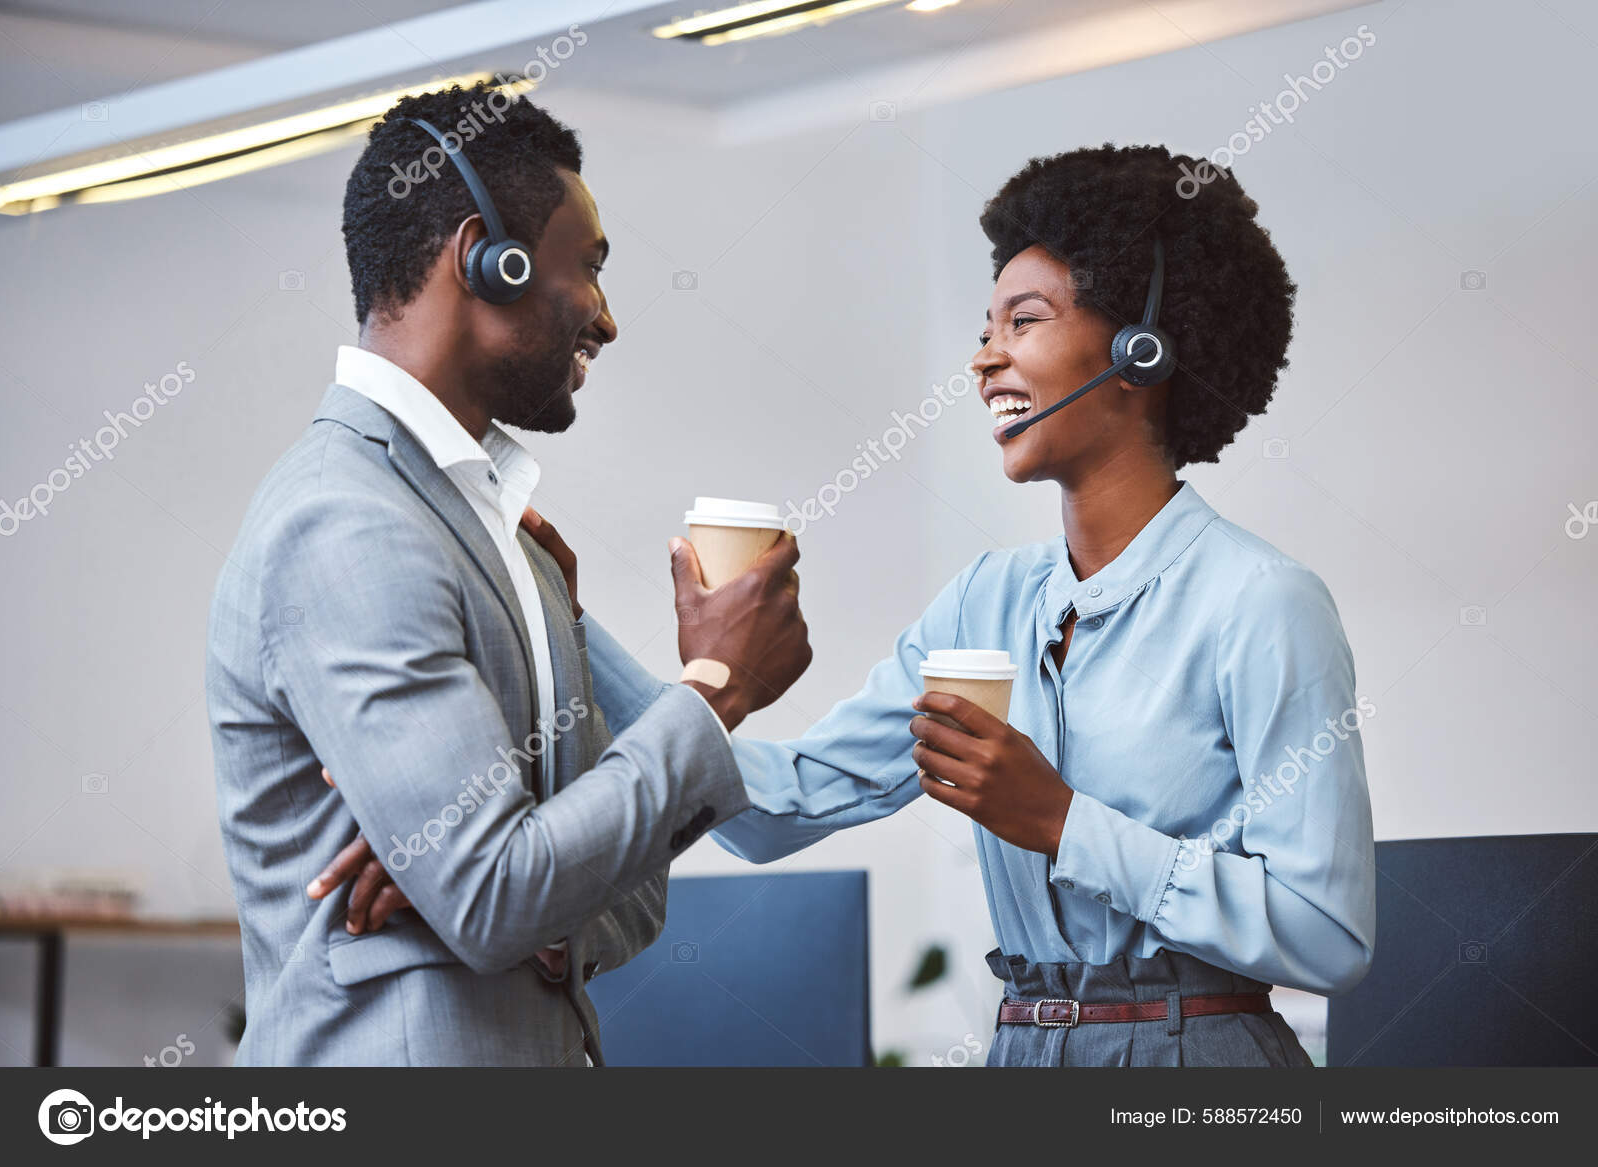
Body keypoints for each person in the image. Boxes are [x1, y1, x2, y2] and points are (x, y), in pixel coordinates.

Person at [316, 145, 1376, 1067]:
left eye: (1026, 320)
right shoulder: (987, 603)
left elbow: (1327, 933)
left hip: (1201, 1062)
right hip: (1024, 1049)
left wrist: (1062, 825)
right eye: (984, 324)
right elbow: (773, 812)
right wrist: (566, 624)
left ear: (1141, 352)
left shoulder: (1260, 604)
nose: (984, 356)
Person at [206, 81, 811, 1067]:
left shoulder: (514, 546)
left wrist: (513, 887)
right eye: (592, 270)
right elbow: (494, 895)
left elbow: (625, 893)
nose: (607, 321)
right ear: (490, 260)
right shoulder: (346, 522)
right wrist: (715, 687)